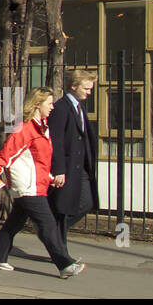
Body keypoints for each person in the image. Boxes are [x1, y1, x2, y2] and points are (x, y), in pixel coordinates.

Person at [0, 86, 85, 278]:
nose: (53, 107)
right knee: (48, 226)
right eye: (49, 103)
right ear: (37, 104)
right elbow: (8, 152)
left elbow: (39, 160)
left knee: (14, 222)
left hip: (35, 184)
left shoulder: (42, 126)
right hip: (27, 187)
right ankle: (65, 264)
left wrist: (50, 178)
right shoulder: (26, 128)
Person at [49, 69, 99, 245]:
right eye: (86, 88)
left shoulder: (78, 107)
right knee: (63, 209)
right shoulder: (61, 108)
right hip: (68, 168)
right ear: (73, 86)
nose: (89, 92)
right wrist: (59, 170)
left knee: (86, 203)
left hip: (81, 168)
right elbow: (56, 142)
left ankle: (53, 233)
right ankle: (58, 245)